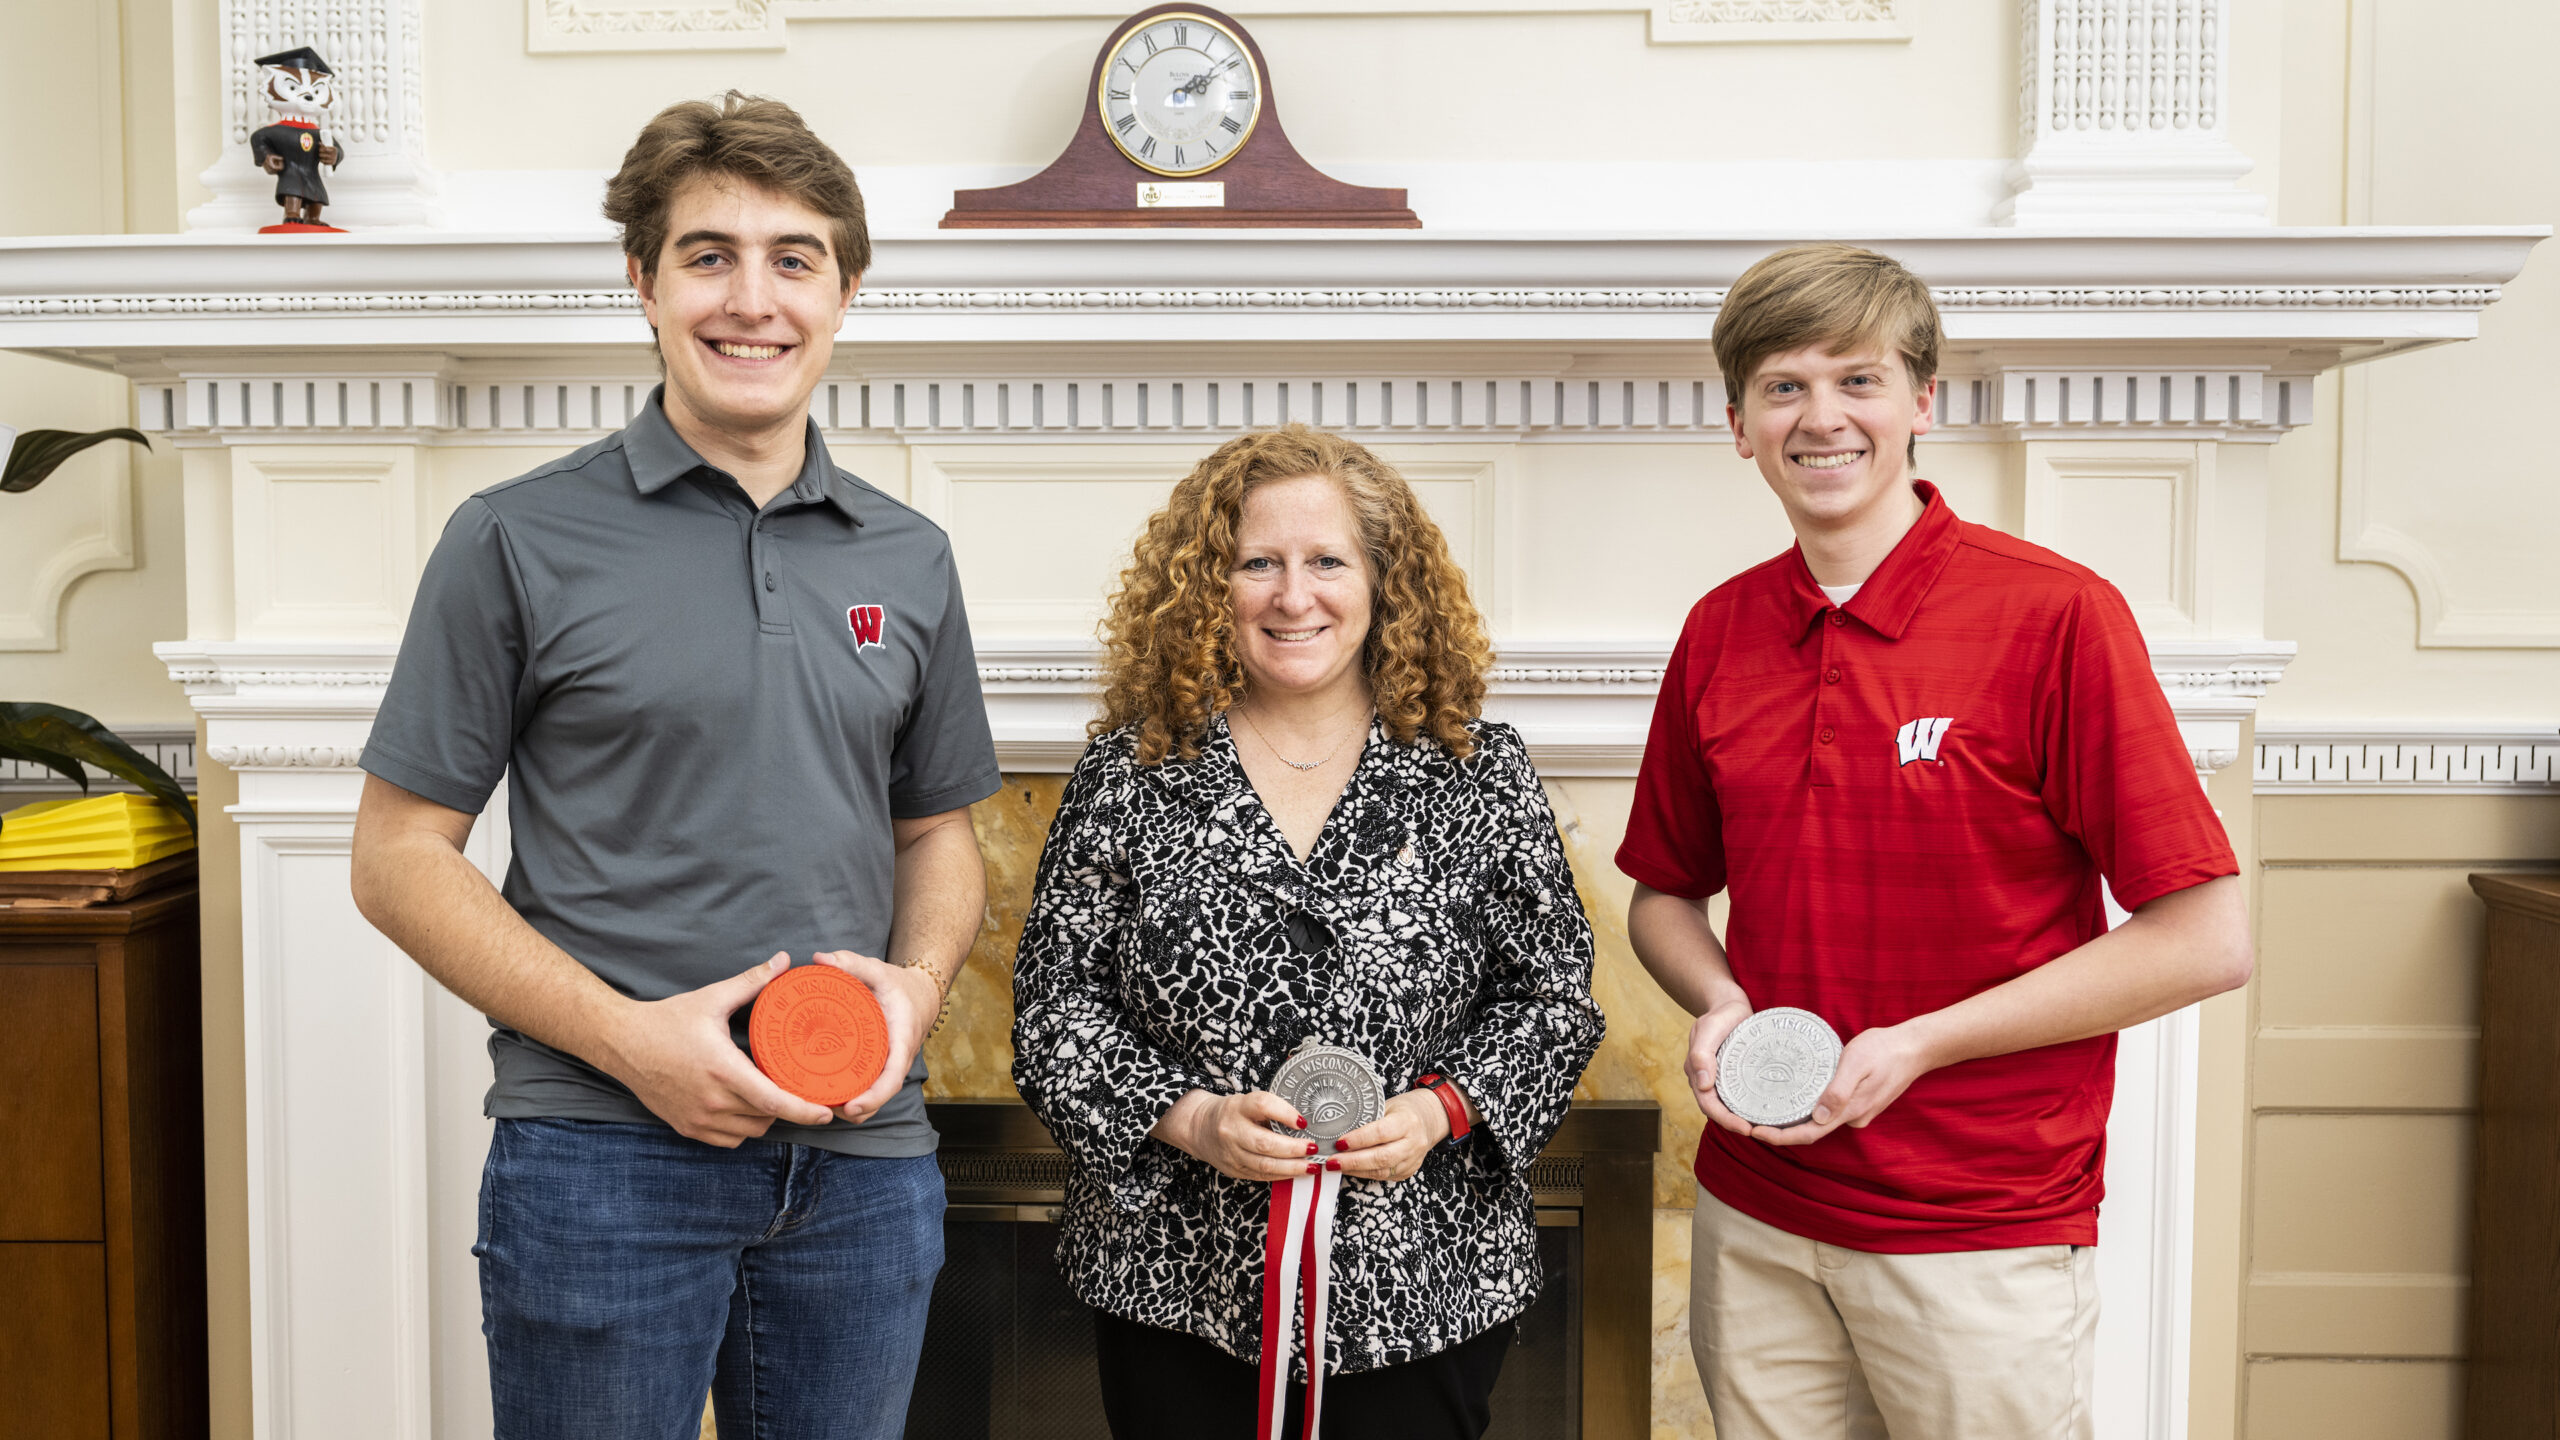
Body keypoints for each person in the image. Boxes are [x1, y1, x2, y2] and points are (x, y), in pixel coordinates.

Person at [348, 93, 1000, 1440]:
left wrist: (915, 1002)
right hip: (600, 1160)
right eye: (708, 254)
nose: (750, 298)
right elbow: (398, 858)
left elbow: (936, 836)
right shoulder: (512, 539)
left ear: (846, 290)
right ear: (641, 280)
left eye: (793, 257)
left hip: (864, 1173)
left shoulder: (909, 557)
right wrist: (633, 1046)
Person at [1618, 243, 2254, 1440]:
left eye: (1857, 380)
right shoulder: (1719, 631)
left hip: (1982, 1229)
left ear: (1923, 402)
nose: (1821, 418)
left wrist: (1917, 1046)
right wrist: (1717, 1000)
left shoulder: (2055, 615)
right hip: (1755, 1216)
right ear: (1737, 424)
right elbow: (1663, 896)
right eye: (1781, 386)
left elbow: (2205, 940)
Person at [1011, 425, 1605, 1440]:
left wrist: (1437, 1113)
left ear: (1383, 582)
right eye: (1258, 564)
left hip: (1425, 1283)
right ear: (1208, 587)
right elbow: (1055, 1012)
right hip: (1173, 1280)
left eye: (1327, 560)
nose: (1294, 597)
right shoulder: (1127, 774)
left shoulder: (1477, 769)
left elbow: (1552, 1001)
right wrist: (1189, 1120)